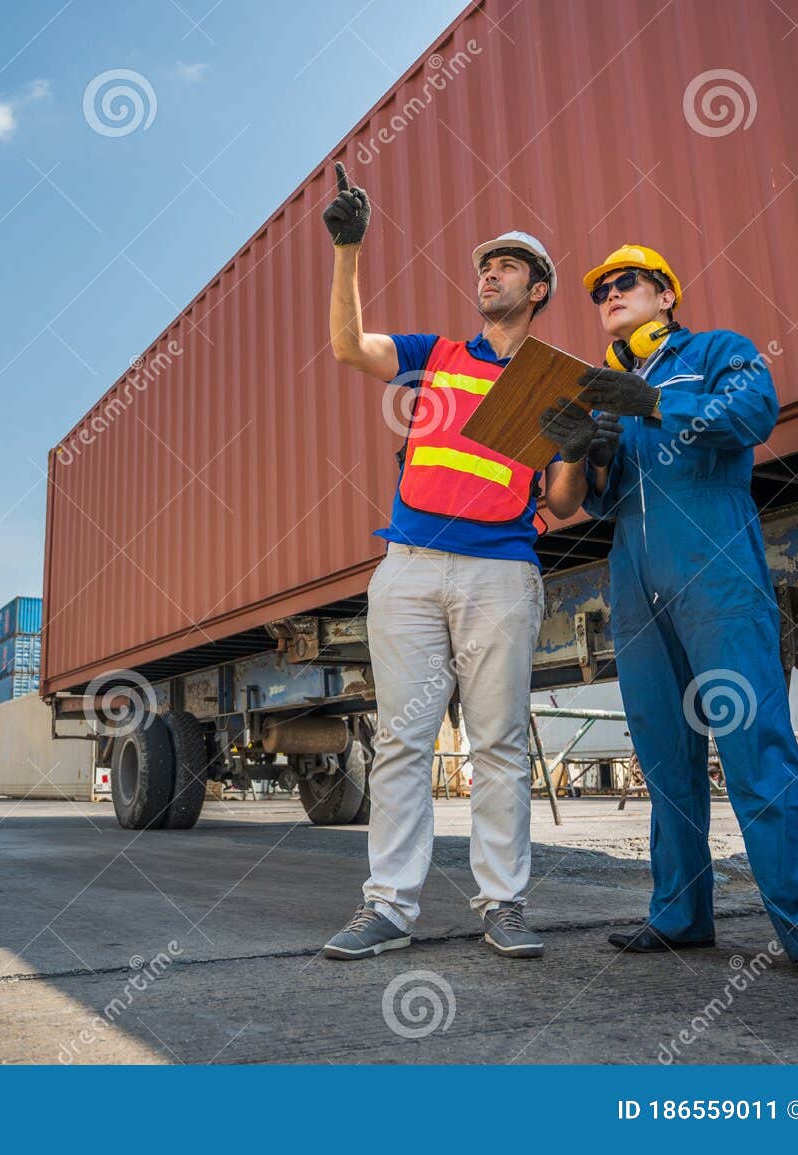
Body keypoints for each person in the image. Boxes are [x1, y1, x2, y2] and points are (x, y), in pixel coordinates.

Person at [318, 163, 606, 960]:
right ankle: (387, 907)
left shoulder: (556, 383)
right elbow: (348, 345)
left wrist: (576, 451)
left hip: (500, 572)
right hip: (409, 566)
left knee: (500, 742)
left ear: (538, 289)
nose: (490, 271)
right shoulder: (435, 354)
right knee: (404, 742)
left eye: (508, 264)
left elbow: (560, 501)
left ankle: (504, 904)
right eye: (485, 264)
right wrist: (348, 250)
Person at [577, 243, 798, 987]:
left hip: (714, 563)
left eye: (626, 282)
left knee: (753, 741)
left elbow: (753, 411)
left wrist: (650, 404)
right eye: (600, 290)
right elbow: (604, 502)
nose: (610, 293)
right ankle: (679, 910)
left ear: (666, 295)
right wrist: (594, 454)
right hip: (634, 574)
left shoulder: (714, 351)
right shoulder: (606, 388)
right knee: (663, 754)